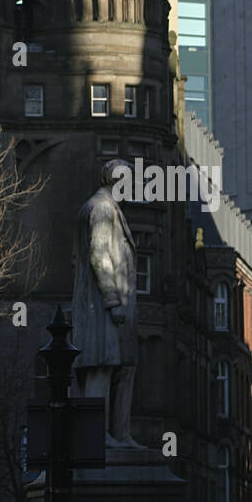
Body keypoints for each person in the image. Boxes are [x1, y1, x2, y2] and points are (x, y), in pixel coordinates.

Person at [72, 158, 139, 446]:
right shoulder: (100, 208)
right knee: (101, 367)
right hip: (102, 306)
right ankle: (97, 436)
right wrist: (113, 300)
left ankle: (120, 434)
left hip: (114, 307)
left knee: (123, 368)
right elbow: (98, 254)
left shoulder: (109, 208)